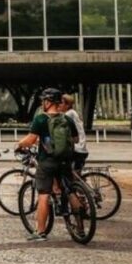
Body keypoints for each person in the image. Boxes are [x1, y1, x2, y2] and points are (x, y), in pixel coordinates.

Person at [15, 88, 79, 241]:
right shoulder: (67, 119)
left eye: (43, 100)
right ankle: (81, 226)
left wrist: (19, 144)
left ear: (48, 102)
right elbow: (75, 139)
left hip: (47, 161)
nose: (42, 103)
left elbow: (30, 140)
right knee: (70, 191)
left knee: (43, 194)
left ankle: (41, 231)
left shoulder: (41, 119)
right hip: (65, 161)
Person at [60, 94, 88, 171]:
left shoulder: (69, 114)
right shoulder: (72, 113)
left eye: (61, 103)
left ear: (68, 105)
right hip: (80, 149)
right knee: (73, 176)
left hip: (77, 149)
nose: (59, 105)